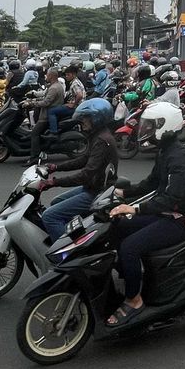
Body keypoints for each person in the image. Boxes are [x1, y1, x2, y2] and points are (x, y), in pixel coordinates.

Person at [105, 102, 185, 327]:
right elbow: (152, 183)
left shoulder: (179, 157)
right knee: (118, 225)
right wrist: (121, 193)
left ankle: (134, 300)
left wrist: (135, 208)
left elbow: (171, 198)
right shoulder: (165, 151)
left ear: (165, 126)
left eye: (150, 125)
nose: (145, 129)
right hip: (165, 212)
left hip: (180, 219)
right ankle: (130, 273)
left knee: (129, 247)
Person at [38, 98, 118, 240]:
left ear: (96, 118)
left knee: (49, 216)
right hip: (92, 187)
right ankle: (71, 233)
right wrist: (56, 167)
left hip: (97, 192)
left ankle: (67, 249)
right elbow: (83, 160)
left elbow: (86, 174)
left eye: (86, 118)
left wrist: (54, 182)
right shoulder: (98, 136)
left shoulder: (102, 141)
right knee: (56, 202)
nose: (82, 122)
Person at [26, 68, 66, 159]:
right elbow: (46, 98)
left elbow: (46, 103)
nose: (46, 76)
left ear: (51, 76)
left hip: (46, 116)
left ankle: (34, 156)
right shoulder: (56, 86)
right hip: (49, 113)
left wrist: (31, 103)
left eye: (47, 75)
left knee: (34, 133)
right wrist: (34, 100)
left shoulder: (54, 88)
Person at [47, 65, 86, 134]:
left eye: (68, 75)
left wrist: (73, 104)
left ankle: (53, 132)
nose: (66, 76)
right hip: (76, 105)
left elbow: (80, 95)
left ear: (74, 74)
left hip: (76, 107)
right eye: (66, 75)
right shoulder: (75, 82)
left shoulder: (75, 83)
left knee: (51, 111)